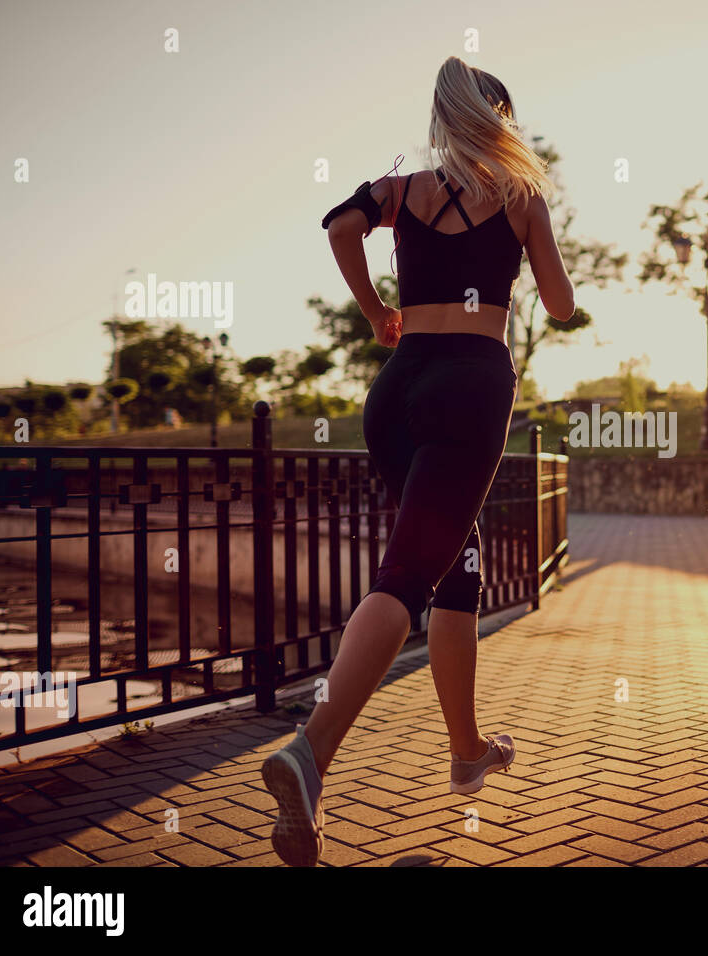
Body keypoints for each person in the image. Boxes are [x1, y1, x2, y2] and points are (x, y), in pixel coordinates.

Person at [261, 56, 575, 867]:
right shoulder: (521, 195)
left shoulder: (402, 190)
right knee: (406, 576)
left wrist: (377, 312)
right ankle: (310, 751)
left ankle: (467, 750)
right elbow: (564, 302)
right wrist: (527, 263)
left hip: (396, 395)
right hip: (469, 392)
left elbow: (338, 226)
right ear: (499, 119)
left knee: (452, 567)